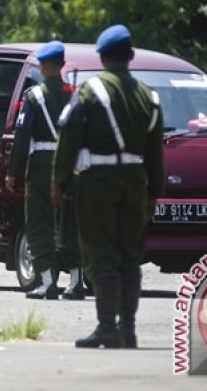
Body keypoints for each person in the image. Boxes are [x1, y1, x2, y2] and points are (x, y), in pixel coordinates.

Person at [53, 25, 164, 348]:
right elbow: (156, 151)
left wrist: (58, 182)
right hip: (135, 182)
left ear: (102, 58)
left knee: (101, 252)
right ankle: (127, 328)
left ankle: (106, 327)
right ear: (130, 56)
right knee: (130, 254)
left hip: (98, 182)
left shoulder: (91, 91)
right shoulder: (150, 96)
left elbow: (69, 138)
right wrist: (155, 192)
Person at [4, 41, 83, 300]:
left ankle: (48, 281)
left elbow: (22, 135)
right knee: (70, 222)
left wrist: (12, 171)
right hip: (70, 163)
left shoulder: (34, 96)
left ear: (46, 65)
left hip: (41, 165)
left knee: (40, 222)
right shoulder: (74, 93)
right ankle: (75, 280)